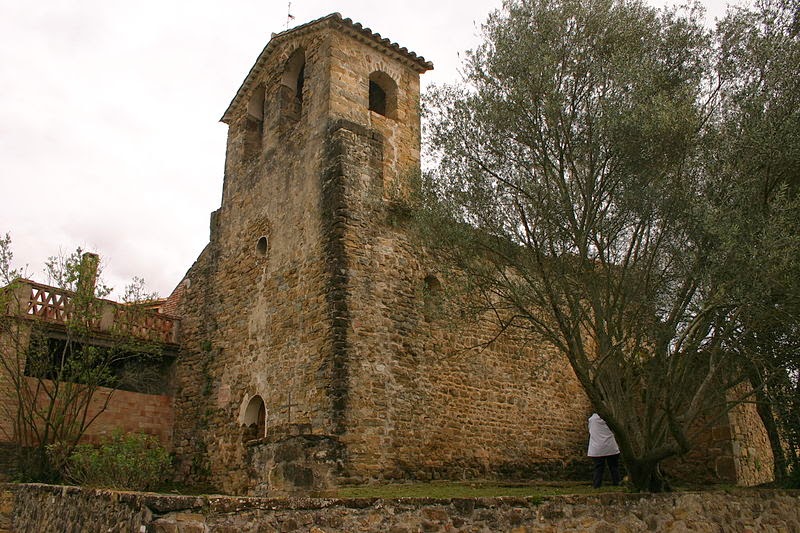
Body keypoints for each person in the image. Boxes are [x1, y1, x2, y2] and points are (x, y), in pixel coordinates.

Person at [587, 413, 621, 488]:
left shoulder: (591, 420)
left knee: (598, 468)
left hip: (597, 447)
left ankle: (597, 485)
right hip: (610, 446)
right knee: (613, 467)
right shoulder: (609, 419)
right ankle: (617, 483)